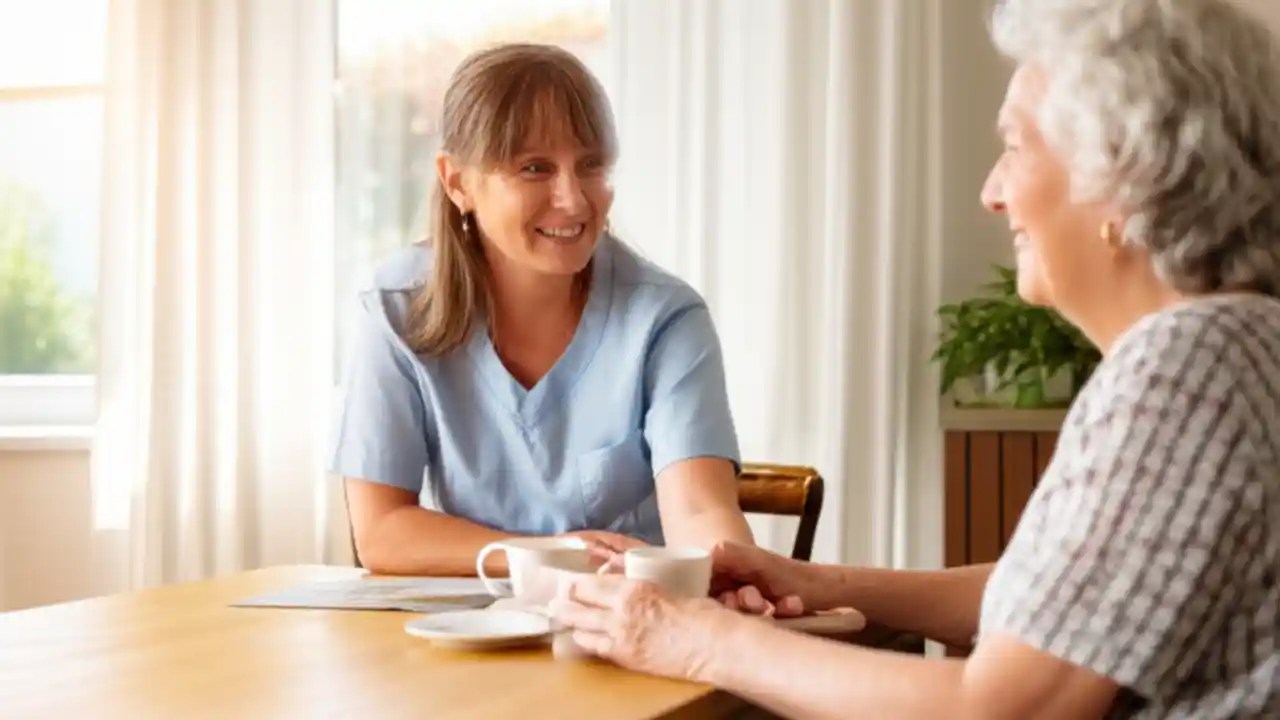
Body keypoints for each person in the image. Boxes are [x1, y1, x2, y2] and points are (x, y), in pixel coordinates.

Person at [552, 1, 1280, 717]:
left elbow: (1007, 711)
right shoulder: (1239, 344)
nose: (992, 192)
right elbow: (1058, 607)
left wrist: (696, 640)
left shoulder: (1185, 368)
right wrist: (811, 580)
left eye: (1015, 146)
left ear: (1123, 174)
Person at [329, 43, 755, 577]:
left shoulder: (666, 320)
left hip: (629, 612)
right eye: (535, 168)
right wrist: (546, 554)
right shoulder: (395, 307)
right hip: (469, 619)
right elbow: (382, 531)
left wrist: (732, 575)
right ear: (457, 182)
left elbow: (699, 511)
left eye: (591, 165)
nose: (573, 200)